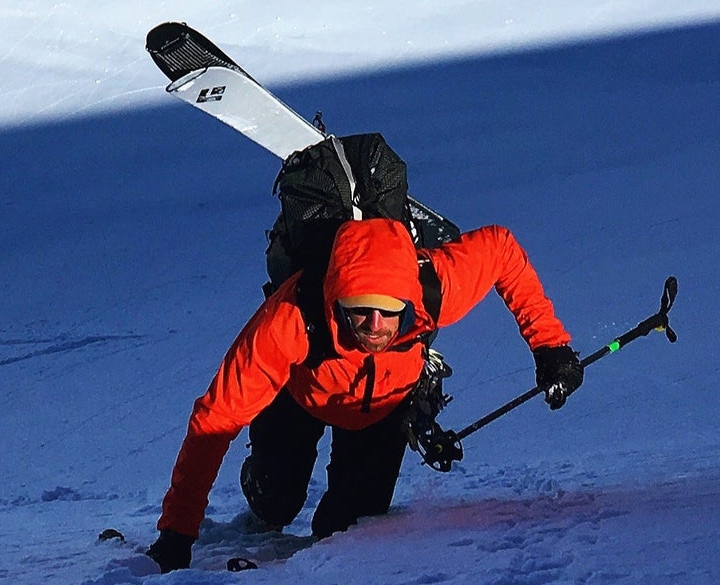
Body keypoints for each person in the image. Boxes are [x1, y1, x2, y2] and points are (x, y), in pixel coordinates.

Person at [147, 215, 583, 571]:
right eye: (359, 311)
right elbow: (215, 419)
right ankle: (264, 482)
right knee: (274, 503)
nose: (375, 326)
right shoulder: (290, 318)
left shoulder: (436, 286)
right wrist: (177, 533)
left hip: (384, 409)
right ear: (335, 300)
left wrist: (550, 346)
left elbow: (502, 249)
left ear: (409, 299)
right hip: (300, 398)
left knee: (349, 533)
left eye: (390, 311)